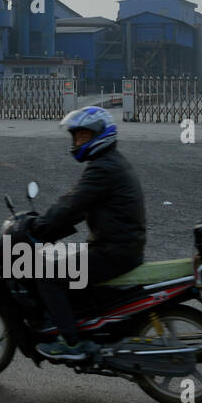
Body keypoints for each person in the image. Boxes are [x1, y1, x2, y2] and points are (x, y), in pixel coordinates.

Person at [30, 106, 146, 361]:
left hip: (114, 251)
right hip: (121, 246)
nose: (77, 141)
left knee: (47, 276)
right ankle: (84, 324)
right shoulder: (110, 162)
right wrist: (52, 227)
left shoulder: (103, 168)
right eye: (76, 137)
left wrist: (40, 225)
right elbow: (80, 207)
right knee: (66, 266)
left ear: (99, 134)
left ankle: (71, 343)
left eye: (83, 136)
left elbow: (72, 203)